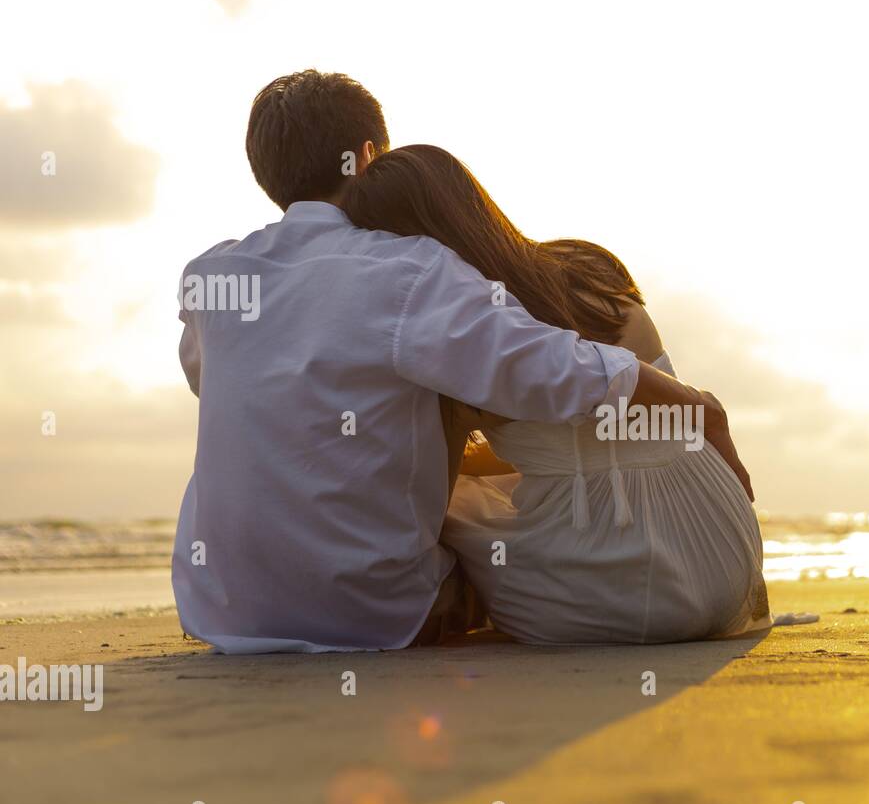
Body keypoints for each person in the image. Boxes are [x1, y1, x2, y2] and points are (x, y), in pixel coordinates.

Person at [172, 70, 750, 653]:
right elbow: (552, 368)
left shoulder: (209, 278)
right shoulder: (410, 268)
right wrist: (700, 409)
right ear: (370, 156)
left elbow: (221, 386)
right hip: (373, 617)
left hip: (222, 612)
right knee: (464, 519)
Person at [341, 145, 770, 644]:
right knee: (531, 481)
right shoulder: (588, 265)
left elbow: (439, 482)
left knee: (448, 495)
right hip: (723, 557)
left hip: (606, 598)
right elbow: (588, 439)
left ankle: (449, 604)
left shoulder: (463, 336)